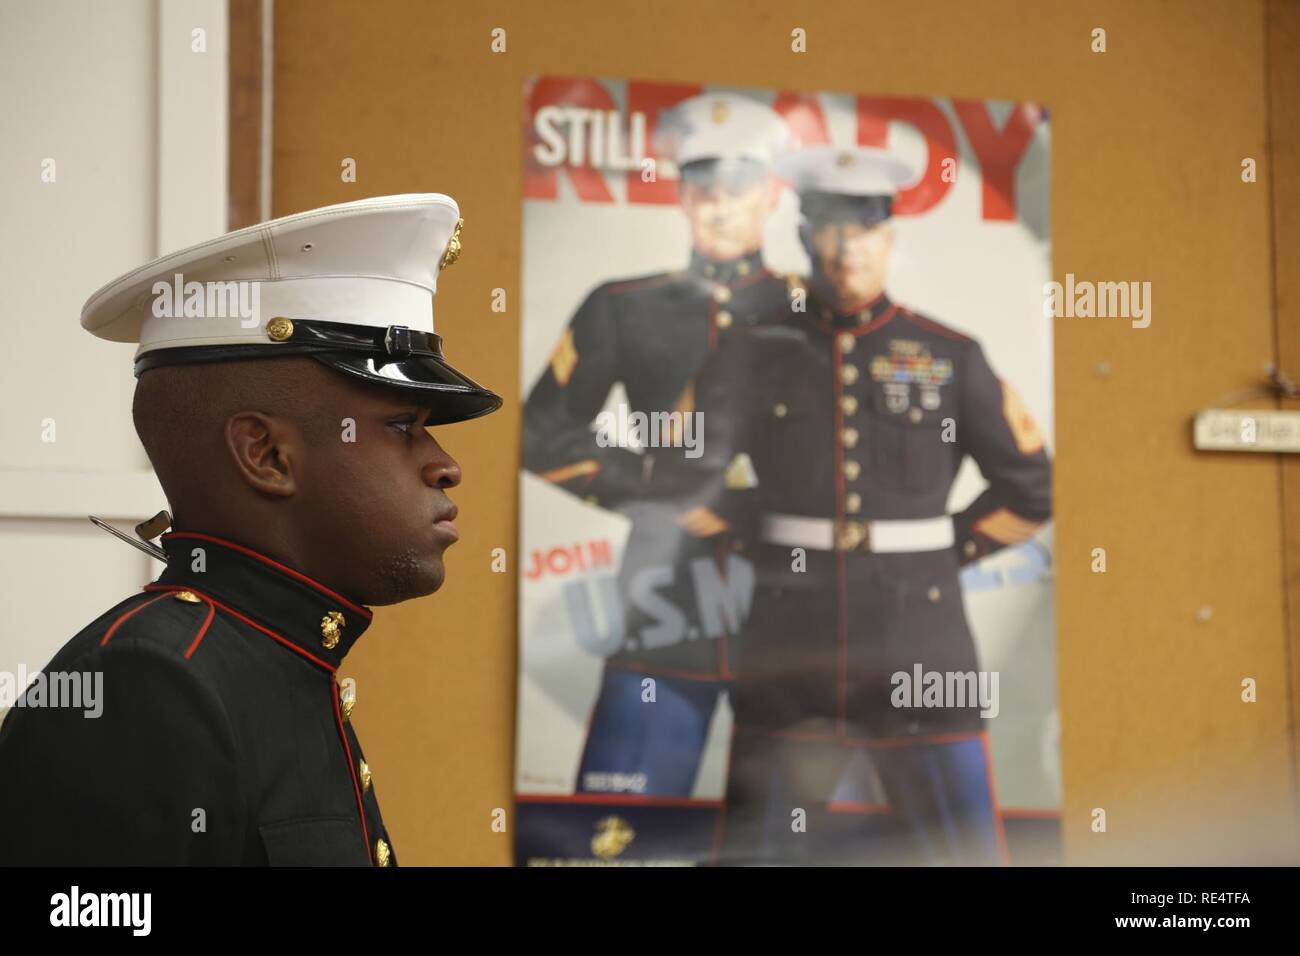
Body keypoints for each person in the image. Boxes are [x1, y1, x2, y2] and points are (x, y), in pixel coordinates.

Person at [0, 194, 500, 865]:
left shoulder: (273, 657)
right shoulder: (149, 688)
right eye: (404, 427)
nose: (446, 466)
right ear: (265, 455)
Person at [664, 145, 1053, 863]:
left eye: (865, 231)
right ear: (806, 236)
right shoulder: (754, 352)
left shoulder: (948, 355)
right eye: (832, 231)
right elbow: (676, 476)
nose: (848, 252)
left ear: (890, 236)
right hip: (789, 651)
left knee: (961, 856)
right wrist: (763, 535)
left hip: (922, 650)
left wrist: (941, 553)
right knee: (760, 857)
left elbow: (1033, 484)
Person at [522, 93, 792, 797]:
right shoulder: (625, 304)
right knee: (617, 832)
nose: (720, 204)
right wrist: (650, 485)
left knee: (811, 843)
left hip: (801, 609)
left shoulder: (813, 309)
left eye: (739, 187)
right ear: (681, 195)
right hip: (664, 600)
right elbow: (542, 430)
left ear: (772, 195)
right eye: (704, 186)